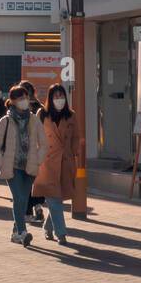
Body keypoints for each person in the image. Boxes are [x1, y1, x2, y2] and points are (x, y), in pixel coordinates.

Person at [0, 85, 45, 246]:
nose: (24, 101)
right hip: (12, 166)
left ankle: (15, 232)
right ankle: (22, 231)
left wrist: (38, 160)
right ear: (12, 101)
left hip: (30, 166)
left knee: (22, 200)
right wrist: (2, 164)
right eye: (20, 98)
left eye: (26, 97)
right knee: (19, 198)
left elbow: (44, 144)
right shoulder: (5, 121)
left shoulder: (34, 119)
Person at [32, 84, 81, 247]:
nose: (59, 99)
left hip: (66, 161)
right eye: (56, 96)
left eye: (61, 96)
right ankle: (61, 233)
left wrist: (74, 152)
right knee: (54, 199)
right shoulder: (42, 114)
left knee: (57, 199)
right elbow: (35, 136)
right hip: (47, 162)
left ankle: (48, 227)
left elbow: (76, 137)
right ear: (50, 98)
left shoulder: (71, 115)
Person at [20, 80, 47, 225]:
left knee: (25, 182)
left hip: (25, 149)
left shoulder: (21, 108)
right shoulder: (40, 107)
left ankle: (28, 212)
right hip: (38, 149)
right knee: (35, 181)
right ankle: (37, 206)